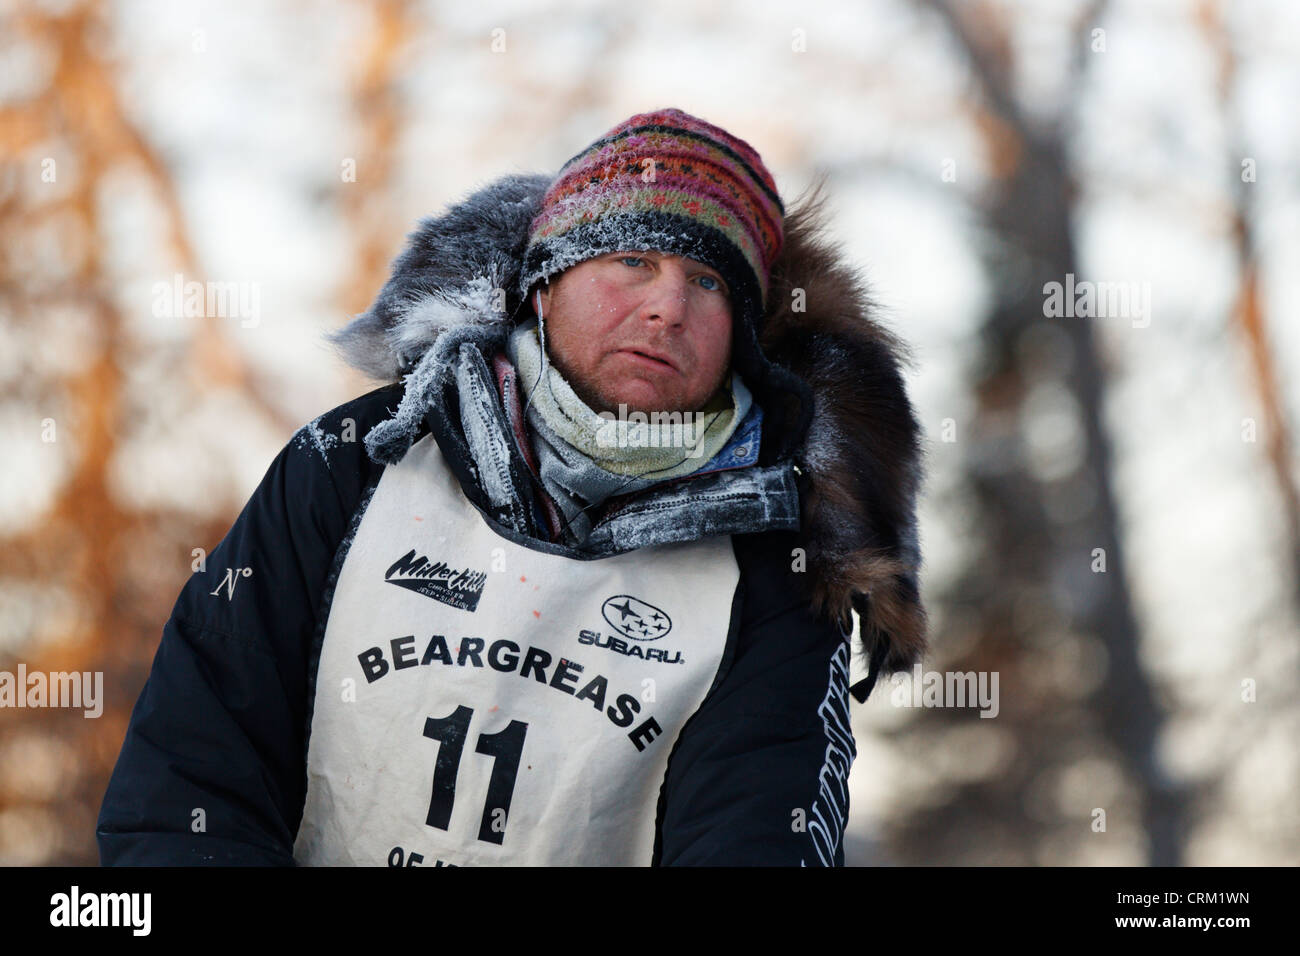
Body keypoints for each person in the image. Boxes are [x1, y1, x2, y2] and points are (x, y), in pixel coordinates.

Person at [96, 107, 927, 866]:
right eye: (633, 259)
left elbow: (753, 837)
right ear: (543, 283)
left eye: (709, 283)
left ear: (739, 337)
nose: (668, 306)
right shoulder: (354, 463)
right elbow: (189, 784)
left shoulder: (777, 570)